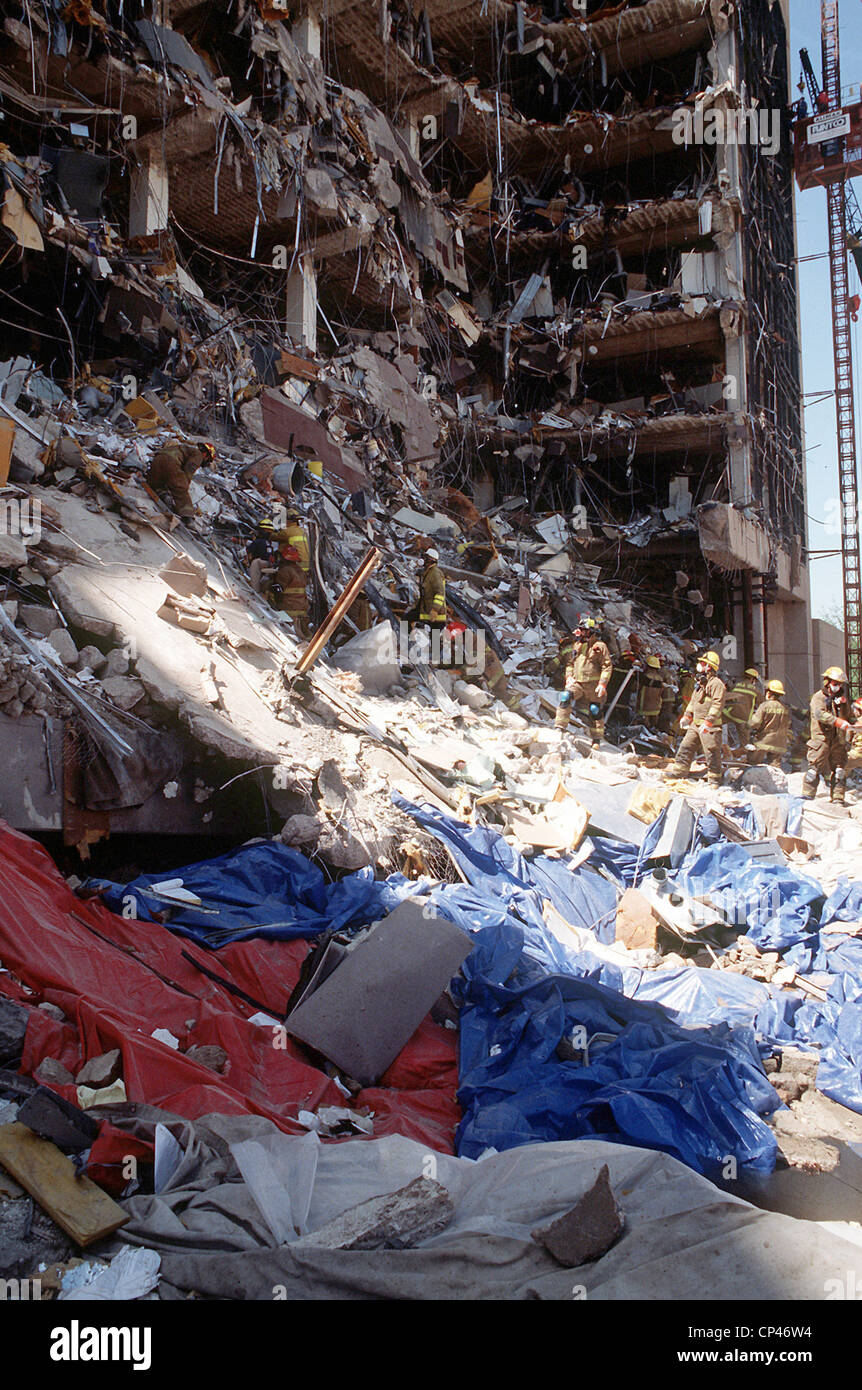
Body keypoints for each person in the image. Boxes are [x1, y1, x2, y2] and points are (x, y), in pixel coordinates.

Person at [664, 650, 726, 787]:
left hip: (710, 726)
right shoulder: (700, 683)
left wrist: (709, 721)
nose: (699, 665)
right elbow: (693, 701)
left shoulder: (716, 684)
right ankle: (679, 772)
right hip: (696, 724)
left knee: (711, 752)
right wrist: (687, 715)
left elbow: (718, 703)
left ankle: (715, 780)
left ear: (709, 667)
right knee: (685, 747)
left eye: (702, 663)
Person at [802, 667, 858, 804]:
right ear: (827, 682)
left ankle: (838, 798)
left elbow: (849, 717)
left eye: (840, 684)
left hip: (838, 740)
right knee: (813, 770)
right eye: (835, 683)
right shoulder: (818, 697)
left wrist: (851, 717)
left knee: (839, 770)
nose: (838, 687)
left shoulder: (841, 699)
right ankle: (807, 797)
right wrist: (837, 721)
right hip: (821, 739)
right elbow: (819, 714)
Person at [555, 617, 613, 743]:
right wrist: (569, 677)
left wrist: (602, 684)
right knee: (565, 696)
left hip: (593, 686)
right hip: (578, 684)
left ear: (591, 632)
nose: (580, 632)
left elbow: (607, 666)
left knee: (594, 710)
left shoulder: (600, 646)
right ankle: (559, 727)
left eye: (583, 630)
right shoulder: (577, 645)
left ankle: (597, 739)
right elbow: (570, 663)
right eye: (580, 629)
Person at [146, 438, 214, 518]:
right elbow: (190, 467)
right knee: (181, 488)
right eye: (208, 460)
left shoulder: (187, 449)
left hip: (157, 460)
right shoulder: (198, 454)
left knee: (157, 484)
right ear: (206, 454)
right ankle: (187, 516)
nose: (206, 462)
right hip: (170, 462)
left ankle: (163, 494)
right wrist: (185, 484)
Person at [746, 679, 791, 766]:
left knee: (753, 763)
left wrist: (747, 725)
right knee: (775, 767)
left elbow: (755, 722)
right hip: (780, 743)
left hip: (764, 741)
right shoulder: (785, 708)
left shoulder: (765, 705)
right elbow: (788, 724)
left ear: (768, 692)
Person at [274, 543, 311, 639]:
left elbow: (278, 589)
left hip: (289, 607)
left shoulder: (284, 571)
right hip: (302, 607)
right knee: (305, 633)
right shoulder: (301, 571)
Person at [723, 668, 760, 746]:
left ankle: (726, 747)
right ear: (752, 679)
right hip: (743, 718)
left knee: (722, 731)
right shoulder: (754, 690)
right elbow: (763, 704)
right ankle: (743, 749)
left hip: (729, 713)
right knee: (745, 742)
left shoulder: (735, 686)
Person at [417, 548, 447, 628]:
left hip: (436, 618)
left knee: (435, 636)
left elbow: (440, 593)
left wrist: (435, 610)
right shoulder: (427, 572)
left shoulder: (435, 573)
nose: (423, 559)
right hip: (427, 615)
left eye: (425, 557)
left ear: (430, 560)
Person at [636, 655, 664, 727]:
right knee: (653, 727)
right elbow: (661, 692)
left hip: (644, 706)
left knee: (645, 726)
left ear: (647, 666)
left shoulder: (645, 677)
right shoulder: (660, 679)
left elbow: (635, 688)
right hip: (656, 707)